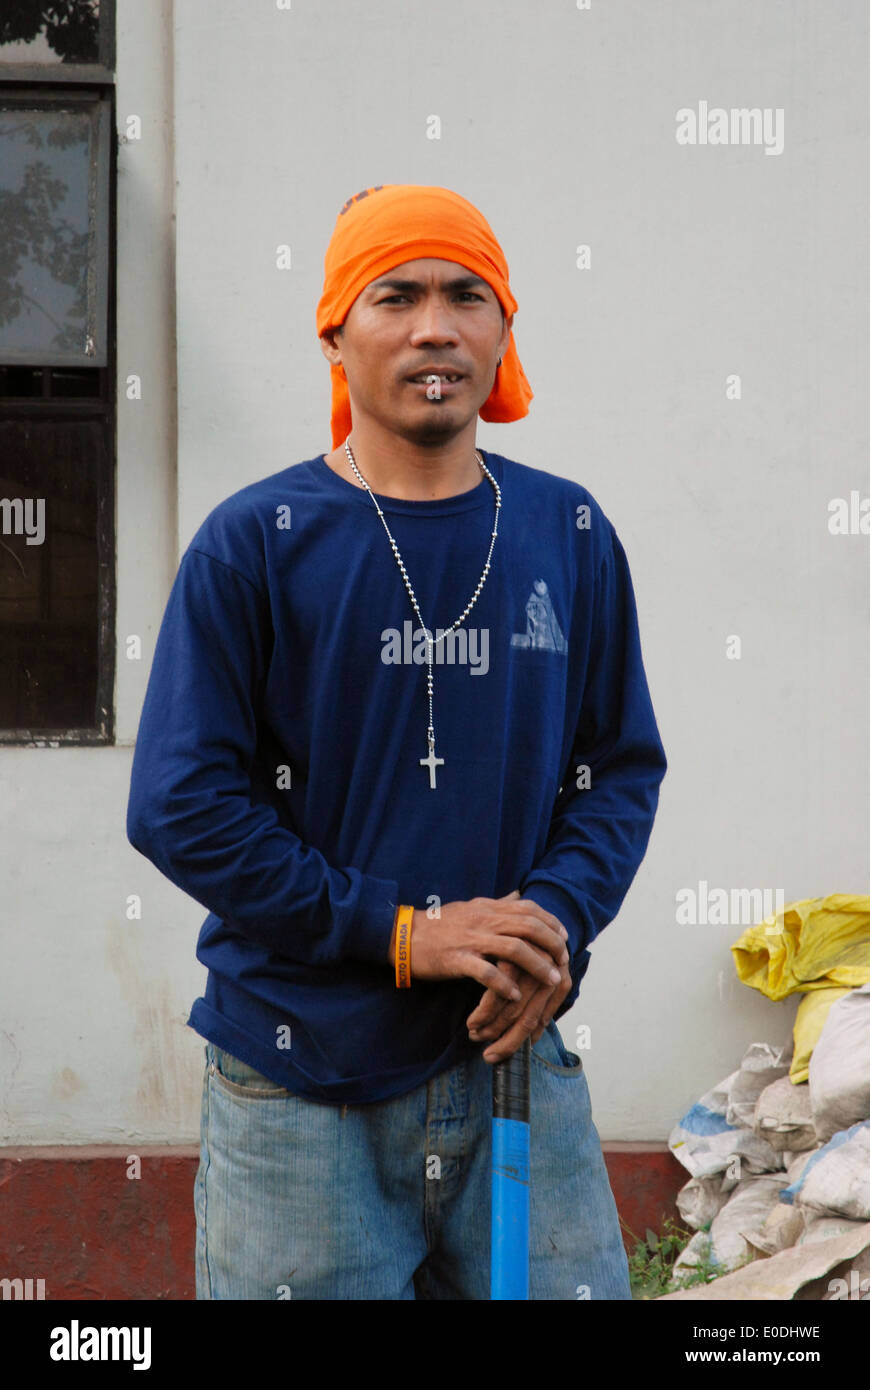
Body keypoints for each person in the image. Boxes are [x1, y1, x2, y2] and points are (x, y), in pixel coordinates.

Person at [126, 183, 667, 1300]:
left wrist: (552, 923)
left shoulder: (565, 532)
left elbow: (618, 767)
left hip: (515, 1062)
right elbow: (180, 802)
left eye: (468, 295)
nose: (435, 325)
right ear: (336, 331)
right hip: (300, 1080)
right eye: (397, 295)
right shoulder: (255, 544)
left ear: (503, 330)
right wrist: (398, 931)